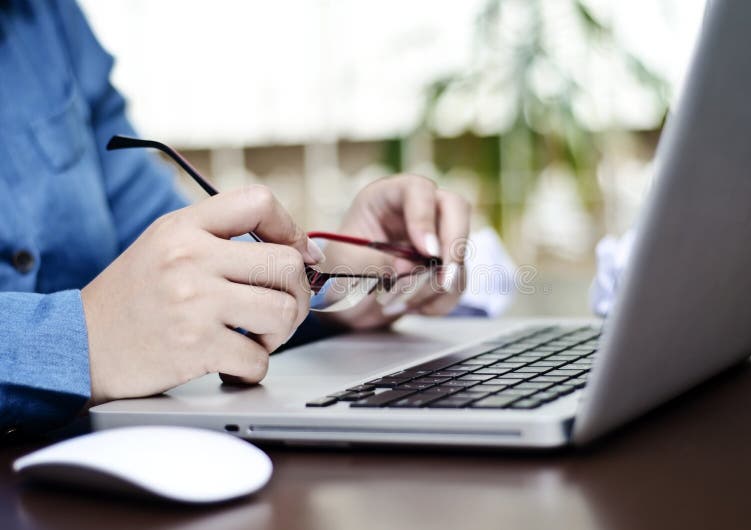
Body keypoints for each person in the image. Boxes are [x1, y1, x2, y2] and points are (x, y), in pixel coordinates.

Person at [0, 0, 470, 437]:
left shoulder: (48, 15)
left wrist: (333, 277)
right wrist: (84, 341)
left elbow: (175, 263)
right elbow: (125, 315)